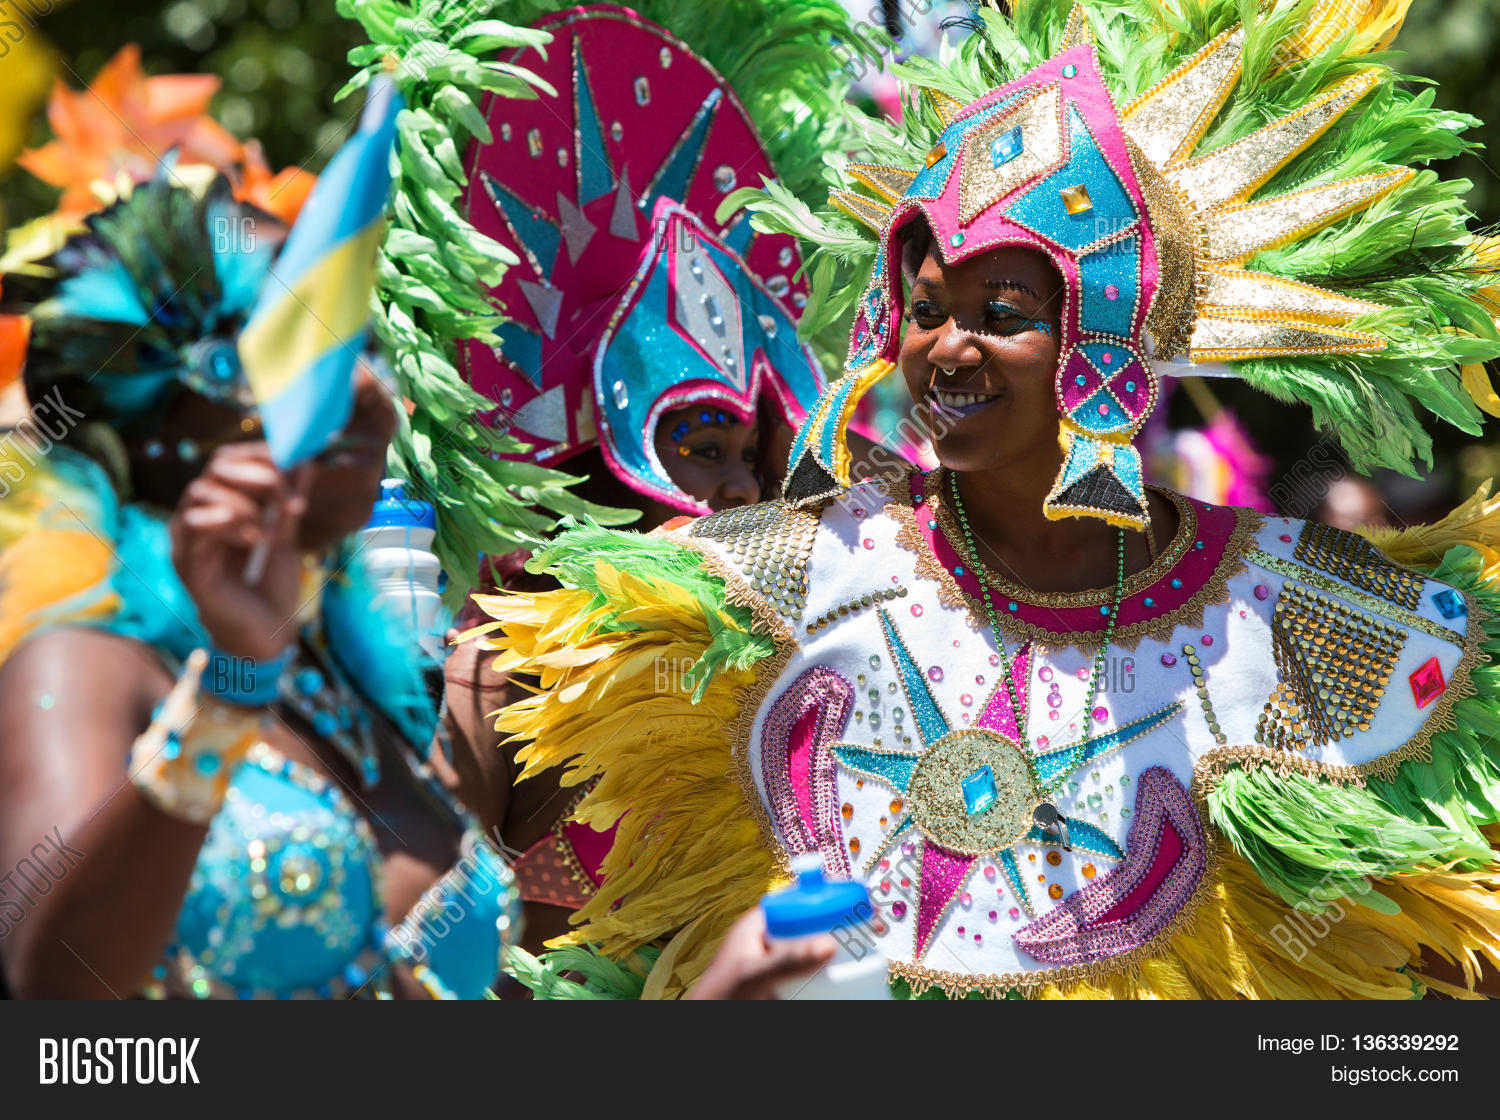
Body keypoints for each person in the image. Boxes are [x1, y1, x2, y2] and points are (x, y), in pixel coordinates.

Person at [470, 0, 1500, 999]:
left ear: (1109, 344)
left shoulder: (1296, 613)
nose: (948, 346)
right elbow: (500, 848)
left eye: (1001, 313)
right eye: (927, 308)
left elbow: (1446, 932)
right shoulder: (771, 577)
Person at [336, 0, 884, 974]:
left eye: (758, 459)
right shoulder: (502, 665)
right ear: (593, 453)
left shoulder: (817, 663)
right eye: (703, 447)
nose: (740, 492)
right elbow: (411, 946)